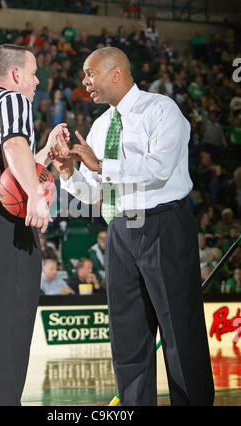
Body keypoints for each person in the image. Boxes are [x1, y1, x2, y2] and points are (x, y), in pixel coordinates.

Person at [50, 47, 214, 405]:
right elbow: (93, 195)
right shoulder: (100, 125)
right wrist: (68, 174)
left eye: (90, 73)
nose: (85, 82)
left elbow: (157, 170)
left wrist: (98, 167)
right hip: (121, 231)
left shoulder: (161, 109)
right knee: (127, 337)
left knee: (179, 333)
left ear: (116, 73)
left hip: (163, 225)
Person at [0, 44, 69, 406]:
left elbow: (7, 171)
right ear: (16, 74)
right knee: (7, 337)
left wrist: (45, 155)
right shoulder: (13, 101)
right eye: (34, 73)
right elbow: (14, 145)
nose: (38, 81)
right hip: (4, 226)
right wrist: (37, 194)